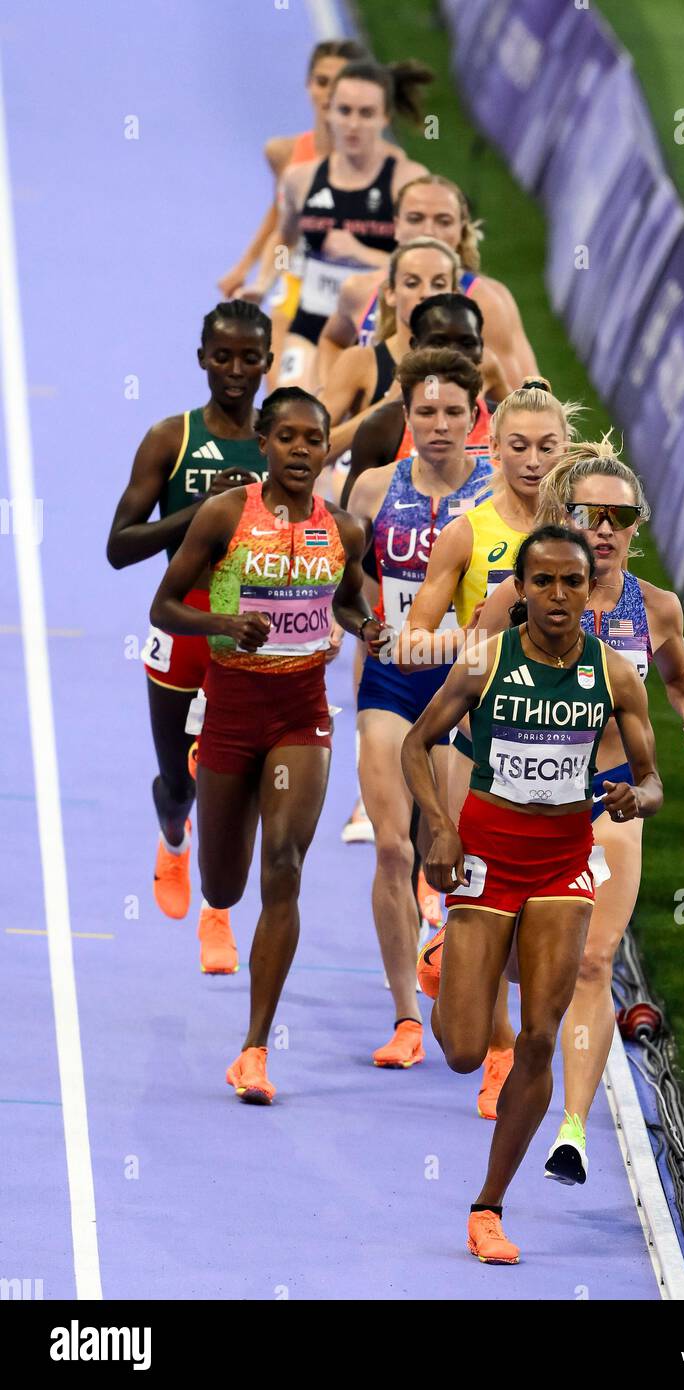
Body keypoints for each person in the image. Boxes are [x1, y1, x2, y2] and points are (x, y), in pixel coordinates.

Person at [401, 525, 663, 1262]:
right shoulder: (485, 664)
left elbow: (653, 780)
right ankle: (445, 957)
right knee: (457, 1051)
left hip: (561, 865)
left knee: (540, 1034)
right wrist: (440, 829)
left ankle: (488, 1206)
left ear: (587, 591)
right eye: (541, 581)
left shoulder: (613, 676)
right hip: (485, 859)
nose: (556, 595)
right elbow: (414, 745)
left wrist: (634, 800)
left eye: (570, 583)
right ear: (520, 589)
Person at [469, 440, 684, 1185]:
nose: (606, 528)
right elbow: (467, 693)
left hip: (611, 799)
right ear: (564, 515)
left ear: (636, 528)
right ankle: (466, 963)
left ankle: (571, 1129)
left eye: (621, 517)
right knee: (516, 966)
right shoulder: (516, 599)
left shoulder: (657, 609)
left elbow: (680, 675)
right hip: (521, 801)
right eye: (591, 514)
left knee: (594, 962)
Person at [149, 388, 386, 1104]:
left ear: (325, 451)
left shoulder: (345, 528)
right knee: (224, 884)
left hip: (300, 713)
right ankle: (205, 802)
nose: (302, 451)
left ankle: (253, 1050)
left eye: (314, 440)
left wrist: (363, 622)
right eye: (287, 437)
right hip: (231, 709)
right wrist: (223, 623)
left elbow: (344, 601)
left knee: (283, 865)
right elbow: (163, 605)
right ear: (263, 442)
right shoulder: (227, 514)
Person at [402, 380, 579, 1117]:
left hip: (567, 755)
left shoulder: (587, 537)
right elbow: (409, 641)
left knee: (548, 936)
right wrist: (478, 638)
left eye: (547, 448)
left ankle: (517, 1041)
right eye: (518, 446)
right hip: (477, 741)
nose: (533, 461)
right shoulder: (468, 532)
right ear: (493, 446)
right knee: (487, 920)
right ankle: (488, 1038)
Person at [107, 301, 273, 973]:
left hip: (250, 625)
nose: (236, 371)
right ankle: (173, 839)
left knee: (227, 782)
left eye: (250, 358)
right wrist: (201, 518)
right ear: (202, 358)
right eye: (223, 357)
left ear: (267, 362)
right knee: (180, 781)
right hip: (181, 619)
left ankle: (218, 915)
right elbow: (119, 547)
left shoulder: (281, 442)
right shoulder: (168, 439)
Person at [347, 348, 493, 1067]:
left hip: (467, 686)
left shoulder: (501, 501)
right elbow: (349, 586)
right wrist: (366, 632)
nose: (439, 425)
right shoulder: (373, 488)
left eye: (453, 413)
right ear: (405, 416)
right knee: (391, 845)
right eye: (425, 412)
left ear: (476, 416)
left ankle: (459, 986)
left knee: (456, 850)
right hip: (392, 683)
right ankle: (406, 1014)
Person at [250, 59, 432, 392]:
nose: (353, 124)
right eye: (344, 111)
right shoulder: (301, 180)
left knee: (355, 437)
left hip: (378, 333)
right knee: (288, 416)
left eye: (366, 114)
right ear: (328, 111)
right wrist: (262, 283)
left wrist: (361, 253)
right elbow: (284, 238)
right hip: (311, 323)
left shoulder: (407, 182)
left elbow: (430, 271)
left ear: (384, 118)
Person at [316, 174, 538, 390]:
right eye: (416, 218)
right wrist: (328, 390)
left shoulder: (488, 303)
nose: (429, 231)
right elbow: (331, 341)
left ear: (461, 229)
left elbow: (527, 395)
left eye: (443, 221)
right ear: (396, 225)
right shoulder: (360, 289)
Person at [217, 38, 371, 303]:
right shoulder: (283, 154)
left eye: (340, 85)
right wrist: (250, 272)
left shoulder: (382, 167)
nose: (329, 95)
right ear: (308, 84)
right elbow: (282, 217)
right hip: (304, 290)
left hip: (362, 294)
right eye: (322, 83)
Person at [340, 293, 509, 504]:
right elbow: (351, 523)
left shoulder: (506, 425)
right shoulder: (382, 427)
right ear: (414, 346)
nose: (454, 354)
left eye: (467, 343)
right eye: (438, 342)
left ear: (481, 348)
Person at [320, 237, 461, 464]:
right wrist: (386, 406)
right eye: (412, 283)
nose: (426, 294)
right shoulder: (361, 363)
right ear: (391, 293)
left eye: (438, 284)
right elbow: (311, 451)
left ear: (455, 294)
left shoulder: (481, 366)